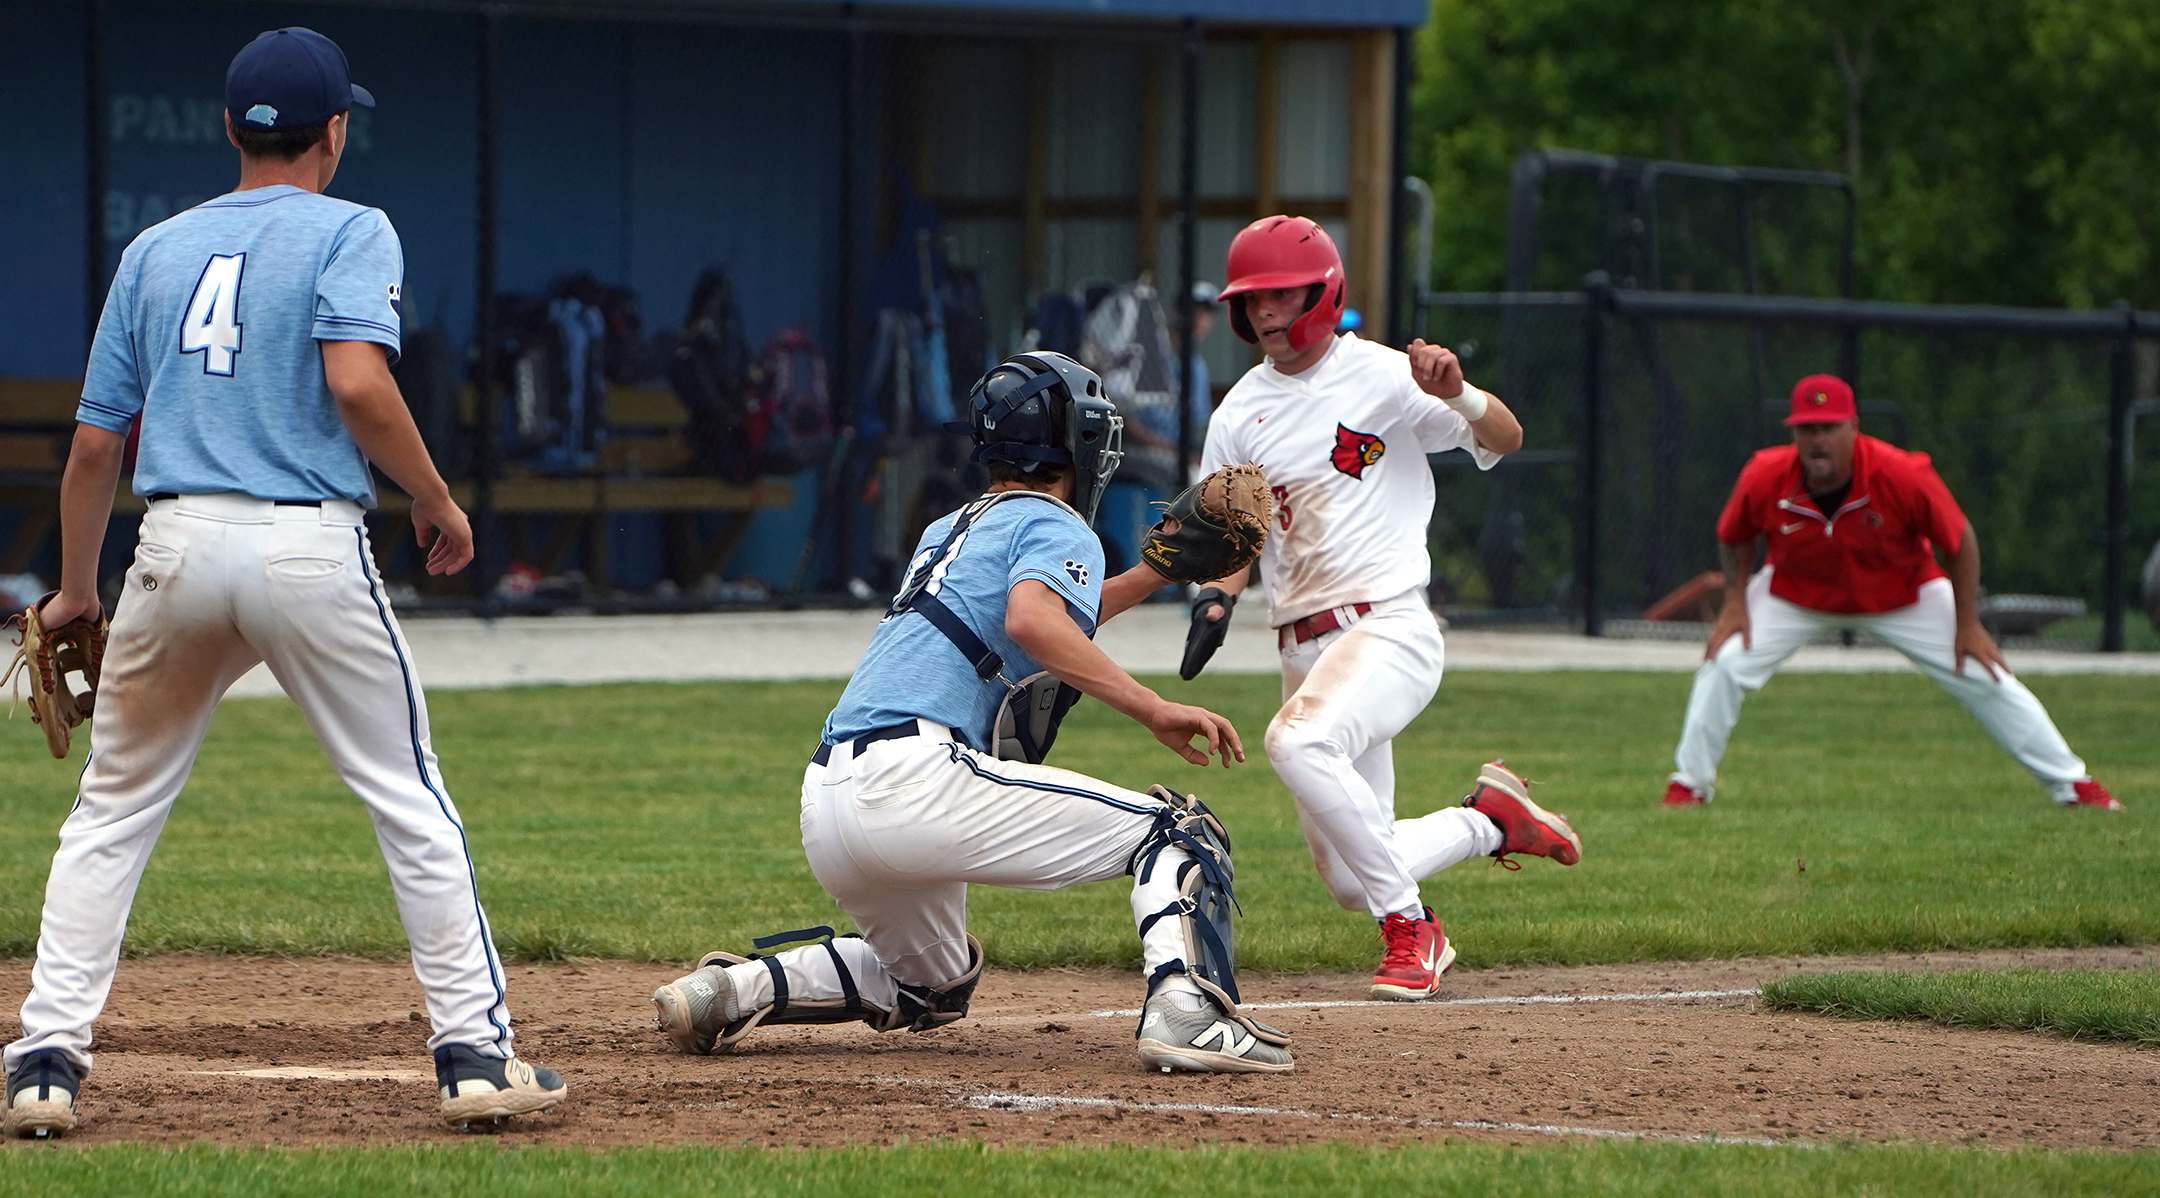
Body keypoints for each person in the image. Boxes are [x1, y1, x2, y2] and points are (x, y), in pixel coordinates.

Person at [1, 28, 565, 1139]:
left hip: (172, 543)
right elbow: (356, 382)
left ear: (228, 130)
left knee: (110, 811)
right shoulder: (355, 228)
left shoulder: (156, 249)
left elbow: (93, 448)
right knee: (407, 796)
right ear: (335, 133)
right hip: (306, 544)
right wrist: (439, 499)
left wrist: (75, 588)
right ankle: (473, 1054)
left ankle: (44, 1065)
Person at [652, 352, 1294, 1074]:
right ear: (1075, 440)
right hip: (914, 781)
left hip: (829, 799)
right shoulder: (1058, 523)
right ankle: (1189, 1011)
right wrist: (1153, 709)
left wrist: (1155, 571)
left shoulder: (948, 529)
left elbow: (1040, 616)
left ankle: (726, 992)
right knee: (1177, 831)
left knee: (929, 983)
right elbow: (1033, 622)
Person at [1180, 216, 1585, 1002]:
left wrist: (1459, 392)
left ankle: (1414, 929)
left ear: (1323, 290)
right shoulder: (1238, 412)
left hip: (1386, 626)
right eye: (1250, 299)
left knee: (1294, 745)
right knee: (1344, 876)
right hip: (1302, 649)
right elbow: (1233, 534)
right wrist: (1215, 599)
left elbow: (1505, 436)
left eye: (1279, 293)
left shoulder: (1386, 375)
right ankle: (1491, 821)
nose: (1263, 312)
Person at [1663, 374, 2120, 811]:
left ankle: (2073, 784)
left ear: (1853, 428)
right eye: (1807, 429)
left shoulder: (1899, 472)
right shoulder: (1766, 473)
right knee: (1723, 663)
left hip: (1902, 594)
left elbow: (1960, 542)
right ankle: (1689, 786)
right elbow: (1734, 533)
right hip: (1796, 594)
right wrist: (1735, 605)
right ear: (1794, 433)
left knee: (1985, 672)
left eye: (1829, 427)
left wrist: (1967, 624)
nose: (1818, 439)